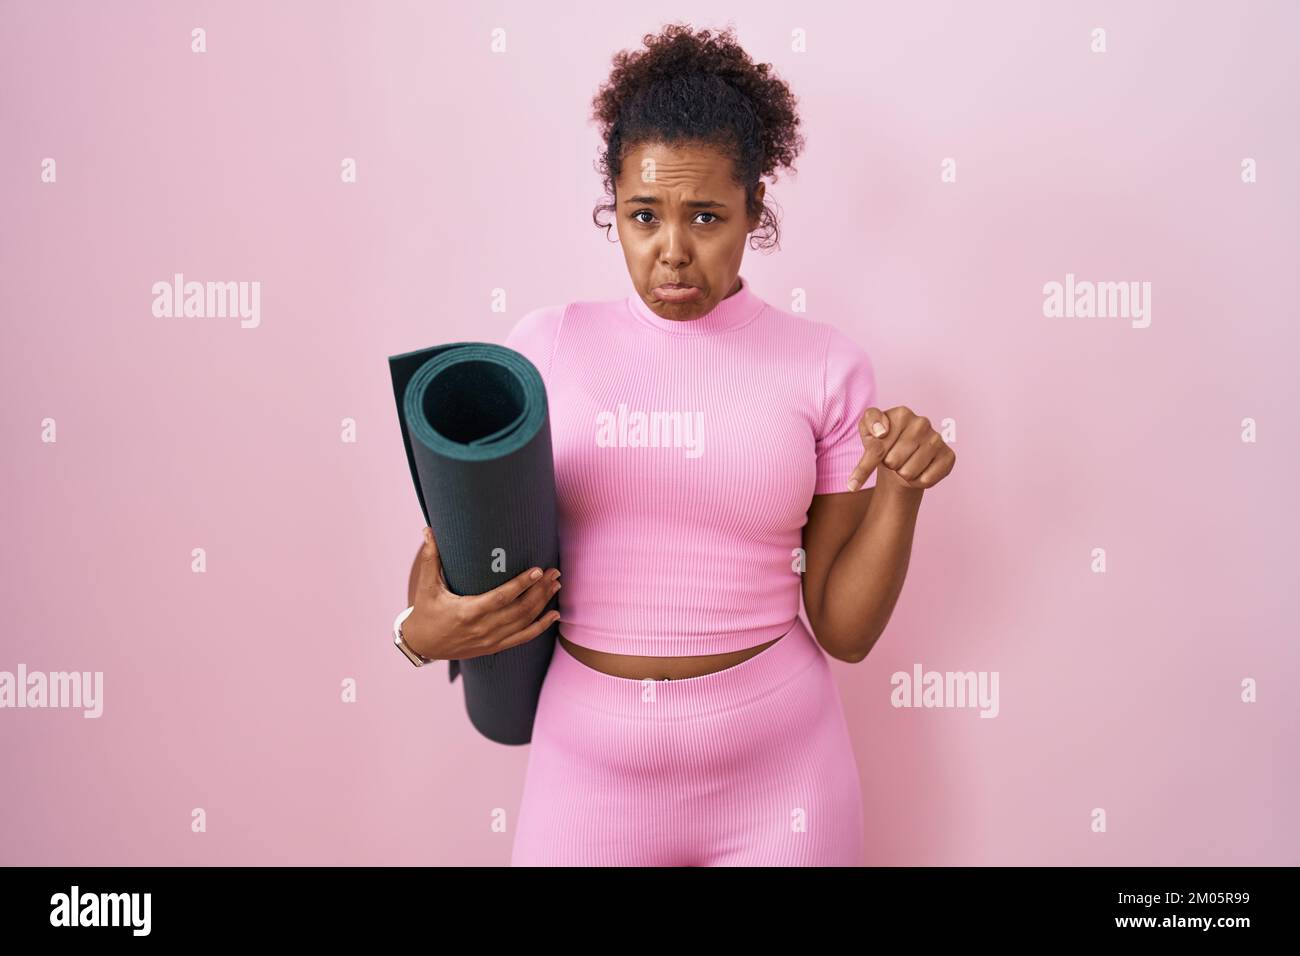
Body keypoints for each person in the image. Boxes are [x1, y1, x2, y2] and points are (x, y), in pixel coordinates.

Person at [401, 22, 956, 866]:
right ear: (613, 210)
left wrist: (903, 490)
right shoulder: (546, 347)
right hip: (586, 773)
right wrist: (416, 633)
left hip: (782, 774)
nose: (672, 252)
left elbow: (842, 629)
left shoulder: (826, 367)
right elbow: (462, 550)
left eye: (706, 217)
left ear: (754, 212)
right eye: (643, 216)